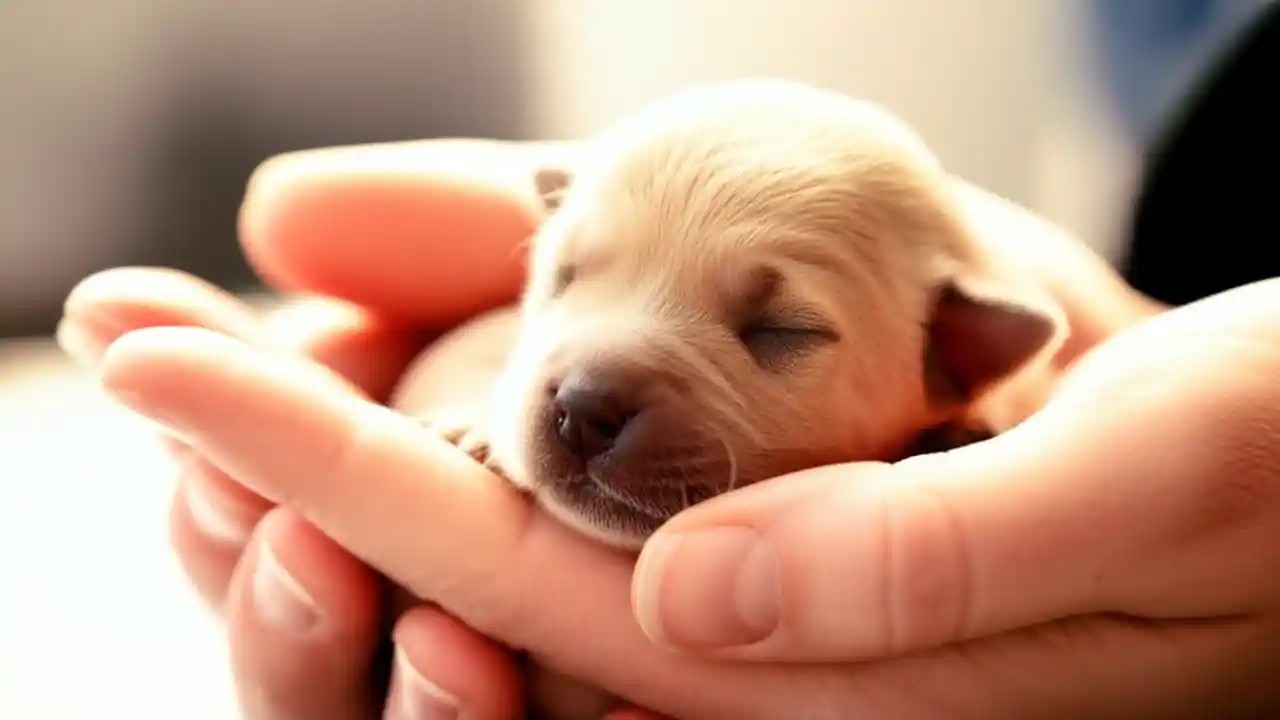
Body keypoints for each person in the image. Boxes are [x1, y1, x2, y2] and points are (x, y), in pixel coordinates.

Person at [57, 6, 1279, 718]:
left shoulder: (1010, 415)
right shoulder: (508, 363)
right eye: (571, 271)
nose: (586, 386)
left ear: (959, 355)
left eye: (773, 332)